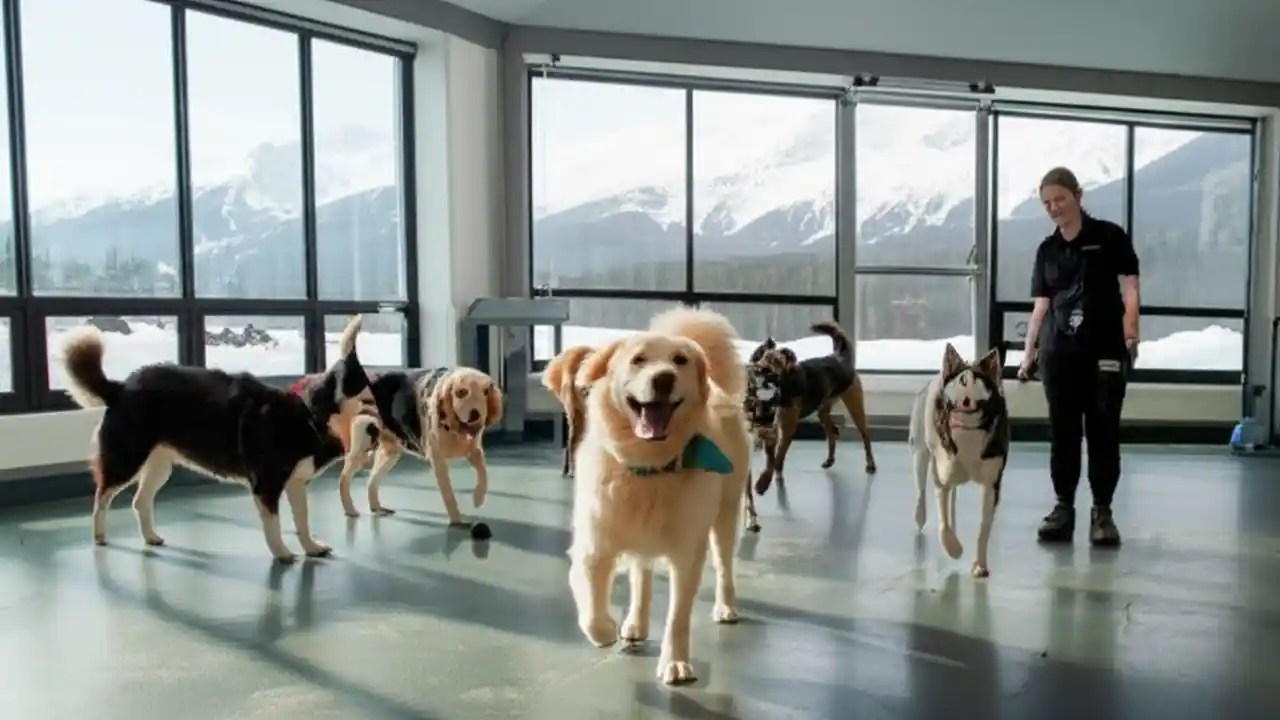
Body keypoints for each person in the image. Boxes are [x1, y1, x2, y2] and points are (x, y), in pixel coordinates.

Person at [1018, 167, 1140, 547]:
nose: (1054, 208)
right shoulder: (1047, 250)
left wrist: (1131, 331)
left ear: (1078, 195)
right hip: (1059, 355)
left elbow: (1131, 285)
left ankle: (1102, 512)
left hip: (1104, 350)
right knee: (1064, 434)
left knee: (1103, 433)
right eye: (1047, 203)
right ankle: (1063, 508)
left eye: (1060, 199)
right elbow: (1042, 305)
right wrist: (1028, 353)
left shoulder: (1110, 236)